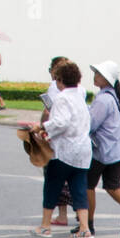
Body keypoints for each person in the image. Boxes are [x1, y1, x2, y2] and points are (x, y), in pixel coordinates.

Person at [30, 60, 94, 238]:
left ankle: (45, 227)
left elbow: (61, 123)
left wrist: (43, 127)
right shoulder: (80, 96)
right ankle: (84, 228)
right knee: (79, 189)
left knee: (52, 186)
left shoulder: (62, 98)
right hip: (83, 152)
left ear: (59, 80)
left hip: (65, 151)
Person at [87, 60, 120, 238]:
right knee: (113, 187)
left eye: (99, 74)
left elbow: (91, 124)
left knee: (87, 185)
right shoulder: (112, 96)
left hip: (104, 152)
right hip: (116, 151)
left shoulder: (104, 99)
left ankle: (88, 224)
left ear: (107, 79)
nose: (95, 76)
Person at [41, 55, 74, 227]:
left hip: (58, 141)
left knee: (53, 181)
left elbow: (52, 115)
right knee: (71, 182)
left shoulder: (56, 89)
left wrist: (43, 127)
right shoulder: (78, 91)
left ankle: (46, 224)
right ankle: (79, 220)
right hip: (73, 144)